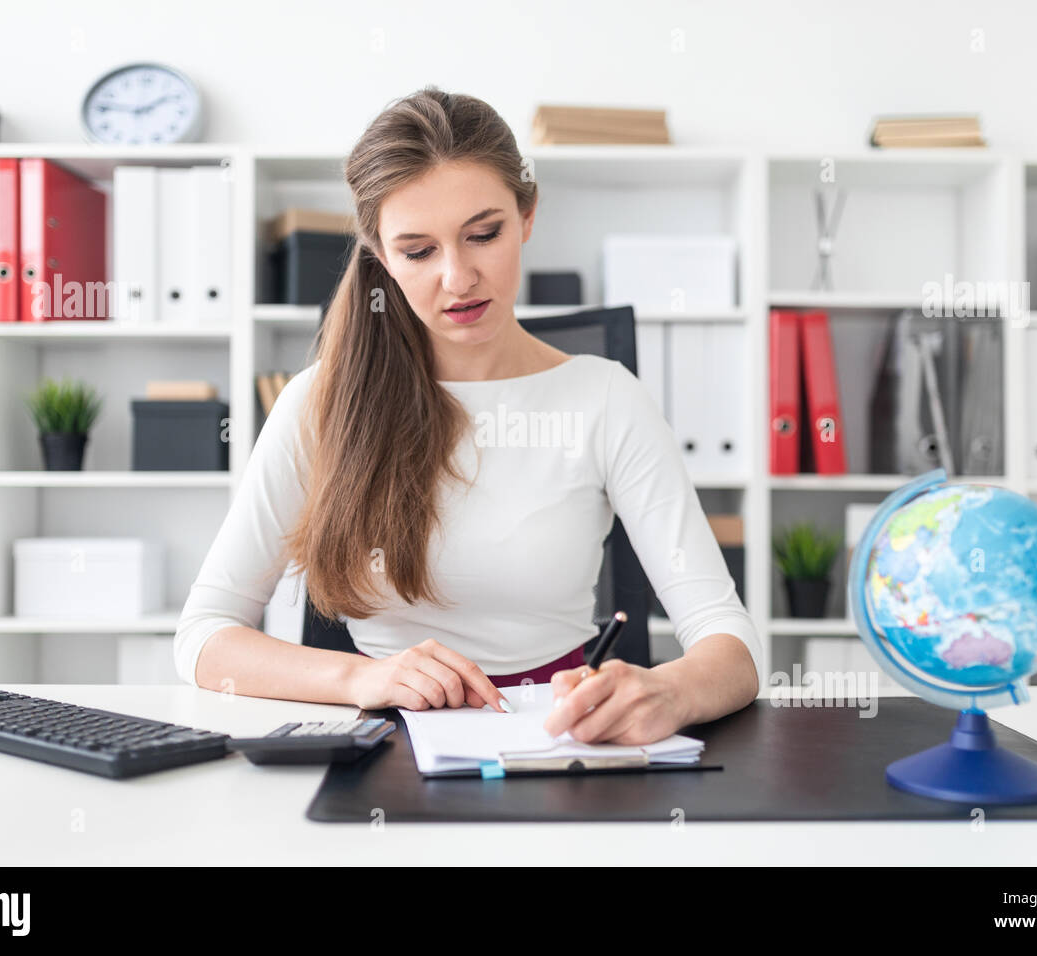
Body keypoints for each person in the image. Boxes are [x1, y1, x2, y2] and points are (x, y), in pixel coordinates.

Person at [174, 86, 761, 745]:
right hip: (384, 750)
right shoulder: (319, 402)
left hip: (562, 741)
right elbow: (204, 638)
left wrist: (670, 690)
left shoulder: (606, 398)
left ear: (527, 215)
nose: (458, 277)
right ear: (379, 253)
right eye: (418, 251)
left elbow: (729, 642)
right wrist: (359, 680)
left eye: (483, 235)